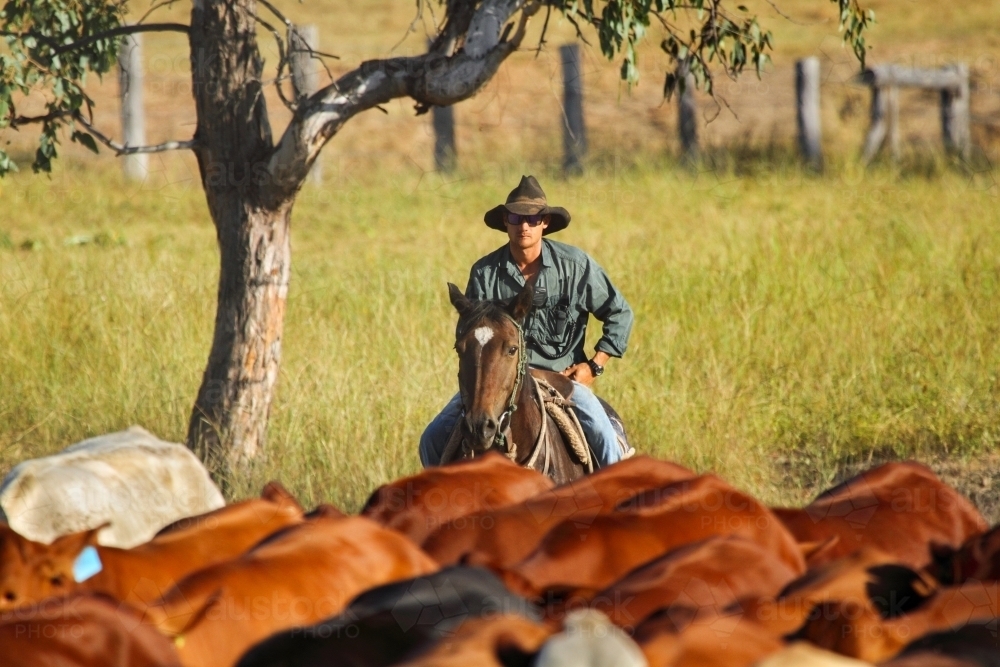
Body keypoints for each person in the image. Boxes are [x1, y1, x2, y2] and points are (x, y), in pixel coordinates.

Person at [420, 175, 634, 469]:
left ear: (545, 222)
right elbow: (473, 338)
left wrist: (594, 365)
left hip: (562, 380)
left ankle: (615, 505)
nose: (524, 226)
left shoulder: (576, 266)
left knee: (606, 440)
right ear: (505, 222)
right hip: (496, 382)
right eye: (516, 217)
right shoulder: (484, 273)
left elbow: (620, 313)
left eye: (533, 219)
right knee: (431, 441)